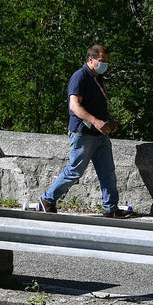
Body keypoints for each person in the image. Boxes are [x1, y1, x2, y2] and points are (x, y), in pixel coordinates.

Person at [39, 44, 130, 218]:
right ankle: (48, 199)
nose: (105, 65)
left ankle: (111, 208)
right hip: (83, 133)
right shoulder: (80, 77)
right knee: (75, 171)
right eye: (102, 61)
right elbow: (74, 106)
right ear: (91, 59)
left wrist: (109, 120)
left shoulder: (98, 77)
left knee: (107, 171)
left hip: (99, 134)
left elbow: (96, 104)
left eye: (107, 62)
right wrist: (96, 122)